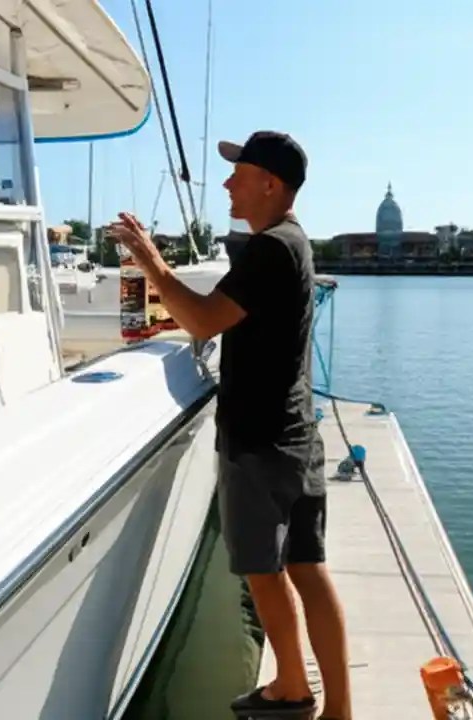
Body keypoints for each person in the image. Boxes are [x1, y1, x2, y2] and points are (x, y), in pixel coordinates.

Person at [107, 130, 352, 720]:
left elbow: (202, 321)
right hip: (296, 436)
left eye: (238, 173)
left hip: (257, 442)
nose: (226, 183)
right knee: (308, 572)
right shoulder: (294, 243)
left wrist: (153, 262)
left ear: (270, 183)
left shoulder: (270, 249)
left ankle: (294, 687)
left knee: (264, 574)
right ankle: (334, 708)